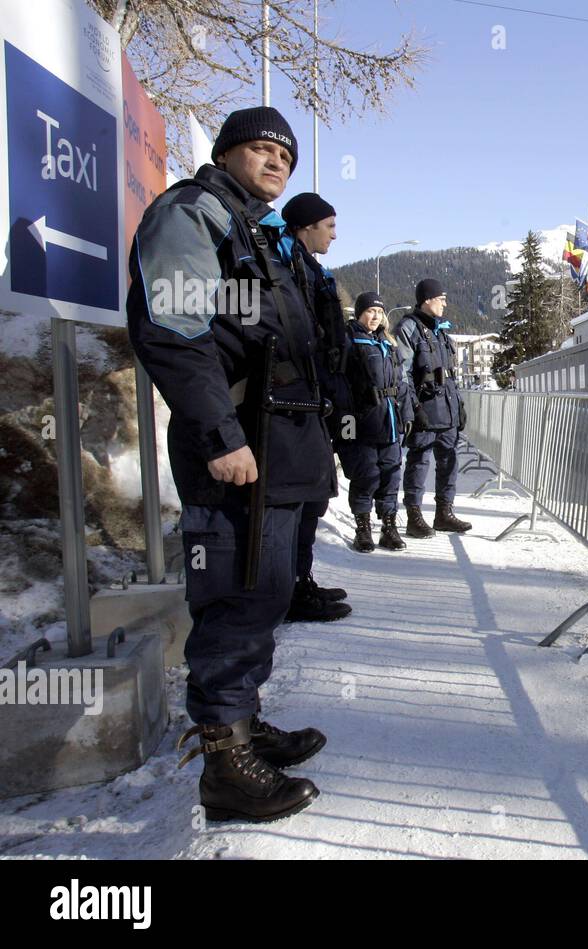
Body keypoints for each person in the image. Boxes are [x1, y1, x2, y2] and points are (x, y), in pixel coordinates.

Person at [128, 106, 329, 823]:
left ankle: (244, 723)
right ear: (226, 151)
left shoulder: (258, 229)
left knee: (265, 592)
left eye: (287, 155)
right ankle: (224, 766)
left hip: (277, 442)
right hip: (238, 442)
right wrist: (220, 436)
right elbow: (174, 334)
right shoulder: (194, 212)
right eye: (262, 148)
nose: (276, 161)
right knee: (236, 595)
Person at [280, 191, 351, 622]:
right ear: (307, 226)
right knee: (300, 499)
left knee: (311, 498)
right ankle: (288, 589)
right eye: (329, 226)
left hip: (313, 397)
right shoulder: (289, 267)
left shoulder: (310, 270)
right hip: (296, 399)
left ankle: (299, 581)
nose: (334, 235)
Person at [335, 291, 413, 552]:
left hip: (389, 422)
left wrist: (409, 414)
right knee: (365, 475)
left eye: (379, 312)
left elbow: (401, 383)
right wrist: (344, 422)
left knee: (391, 475)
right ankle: (363, 528)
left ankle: (389, 528)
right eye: (370, 311)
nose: (376, 316)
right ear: (359, 313)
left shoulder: (388, 344)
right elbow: (338, 383)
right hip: (362, 422)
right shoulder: (348, 340)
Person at [396, 279, 471, 534]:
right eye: (441, 299)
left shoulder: (441, 333)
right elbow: (402, 373)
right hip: (425, 411)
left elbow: (450, 375)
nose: (445, 304)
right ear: (427, 299)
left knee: (449, 462)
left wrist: (459, 405)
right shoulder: (409, 328)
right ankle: (414, 517)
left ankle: (444, 513)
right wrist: (413, 408)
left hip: (447, 411)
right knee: (419, 462)